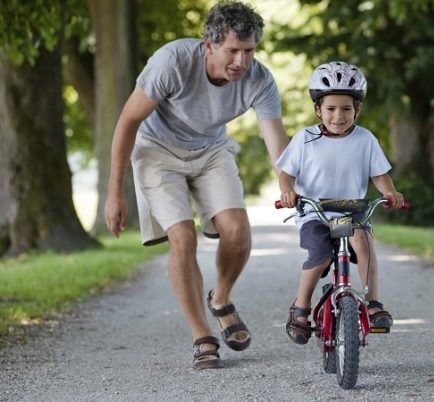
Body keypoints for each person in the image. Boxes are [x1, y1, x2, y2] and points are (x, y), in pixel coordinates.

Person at [103, 1, 289, 369]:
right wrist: (114, 193)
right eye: (232, 51)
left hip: (210, 151)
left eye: (249, 50)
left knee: (237, 230)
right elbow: (127, 122)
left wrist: (288, 186)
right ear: (209, 45)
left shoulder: (259, 79)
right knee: (183, 237)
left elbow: (276, 141)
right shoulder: (172, 62)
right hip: (157, 151)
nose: (241, 61)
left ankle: (220, 299)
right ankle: (201, 335)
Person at [277, 61, 404, 345]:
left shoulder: (365, 139)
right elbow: (286, 173)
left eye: (346, 109)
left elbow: (379, 175)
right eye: (331, 109)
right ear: (318, 109)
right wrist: (288, 192)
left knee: (362, 238)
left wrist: (391, 193)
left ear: (357, 109)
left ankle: (372, 303)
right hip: (315, 212)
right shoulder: (305, 139)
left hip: (350, 211)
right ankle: (301, 307)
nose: (338, 116)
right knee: (320, 254)